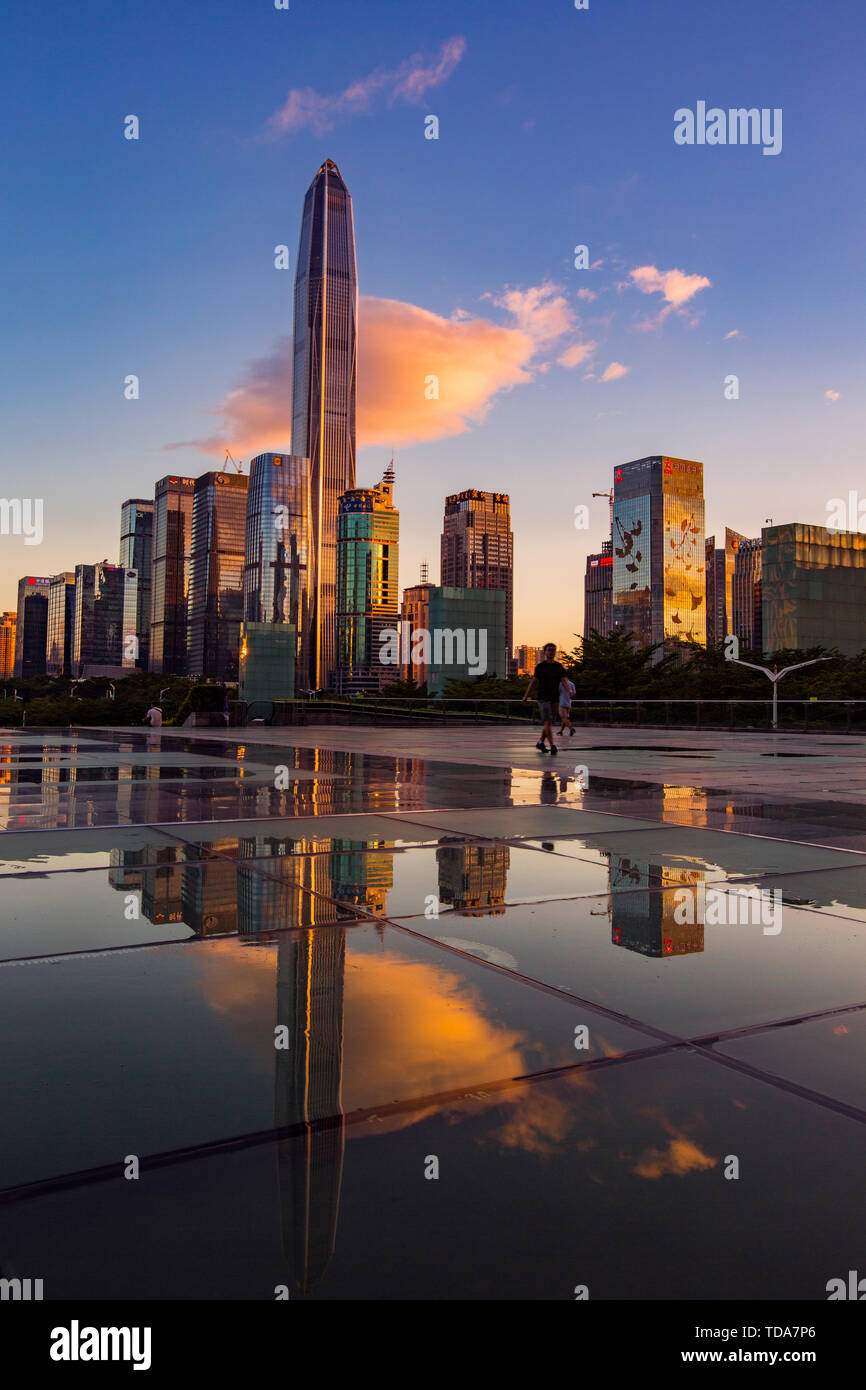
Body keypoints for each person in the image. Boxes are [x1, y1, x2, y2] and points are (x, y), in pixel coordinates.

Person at [522, 642, 568, 754]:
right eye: (549, 649)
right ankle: (552, 745)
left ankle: (540, 742)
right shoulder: (540, 667)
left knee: (549, 722)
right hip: (543, 698)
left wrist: (570, 691)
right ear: (545, 652)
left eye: (553, 650)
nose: (551, 652)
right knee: (547, 721)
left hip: (554, 698)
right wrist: (526, 696)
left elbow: (563, 680)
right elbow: (533, 683)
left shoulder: (558, 667)